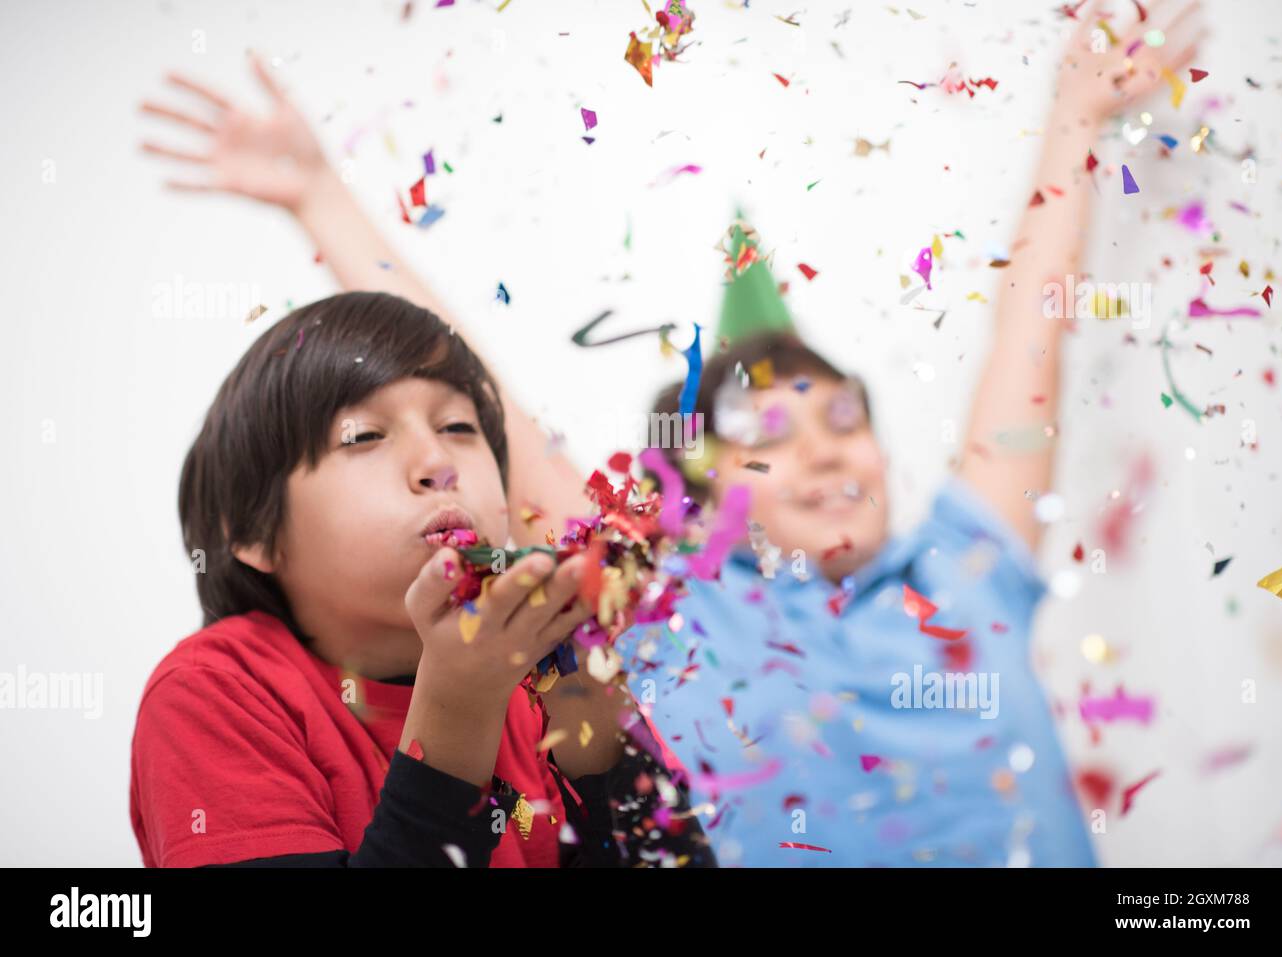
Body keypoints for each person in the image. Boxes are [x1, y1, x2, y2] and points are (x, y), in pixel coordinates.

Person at [138, 0, 1202, 866]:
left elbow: (1028, 353)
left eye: (843, 420)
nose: (826, 448)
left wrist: (1074, 123)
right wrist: (320, 197)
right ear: (691, 491)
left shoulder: (965, 571)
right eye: (766, 438)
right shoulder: (666, 611)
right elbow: (464, 408)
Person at [129, 290, 714, 867]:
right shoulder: (214, 692)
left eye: (458, 426)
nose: (438, 465)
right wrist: (459, 710)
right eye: (363, 436)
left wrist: (592, 718)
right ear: (253, 530)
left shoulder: (540, 681)